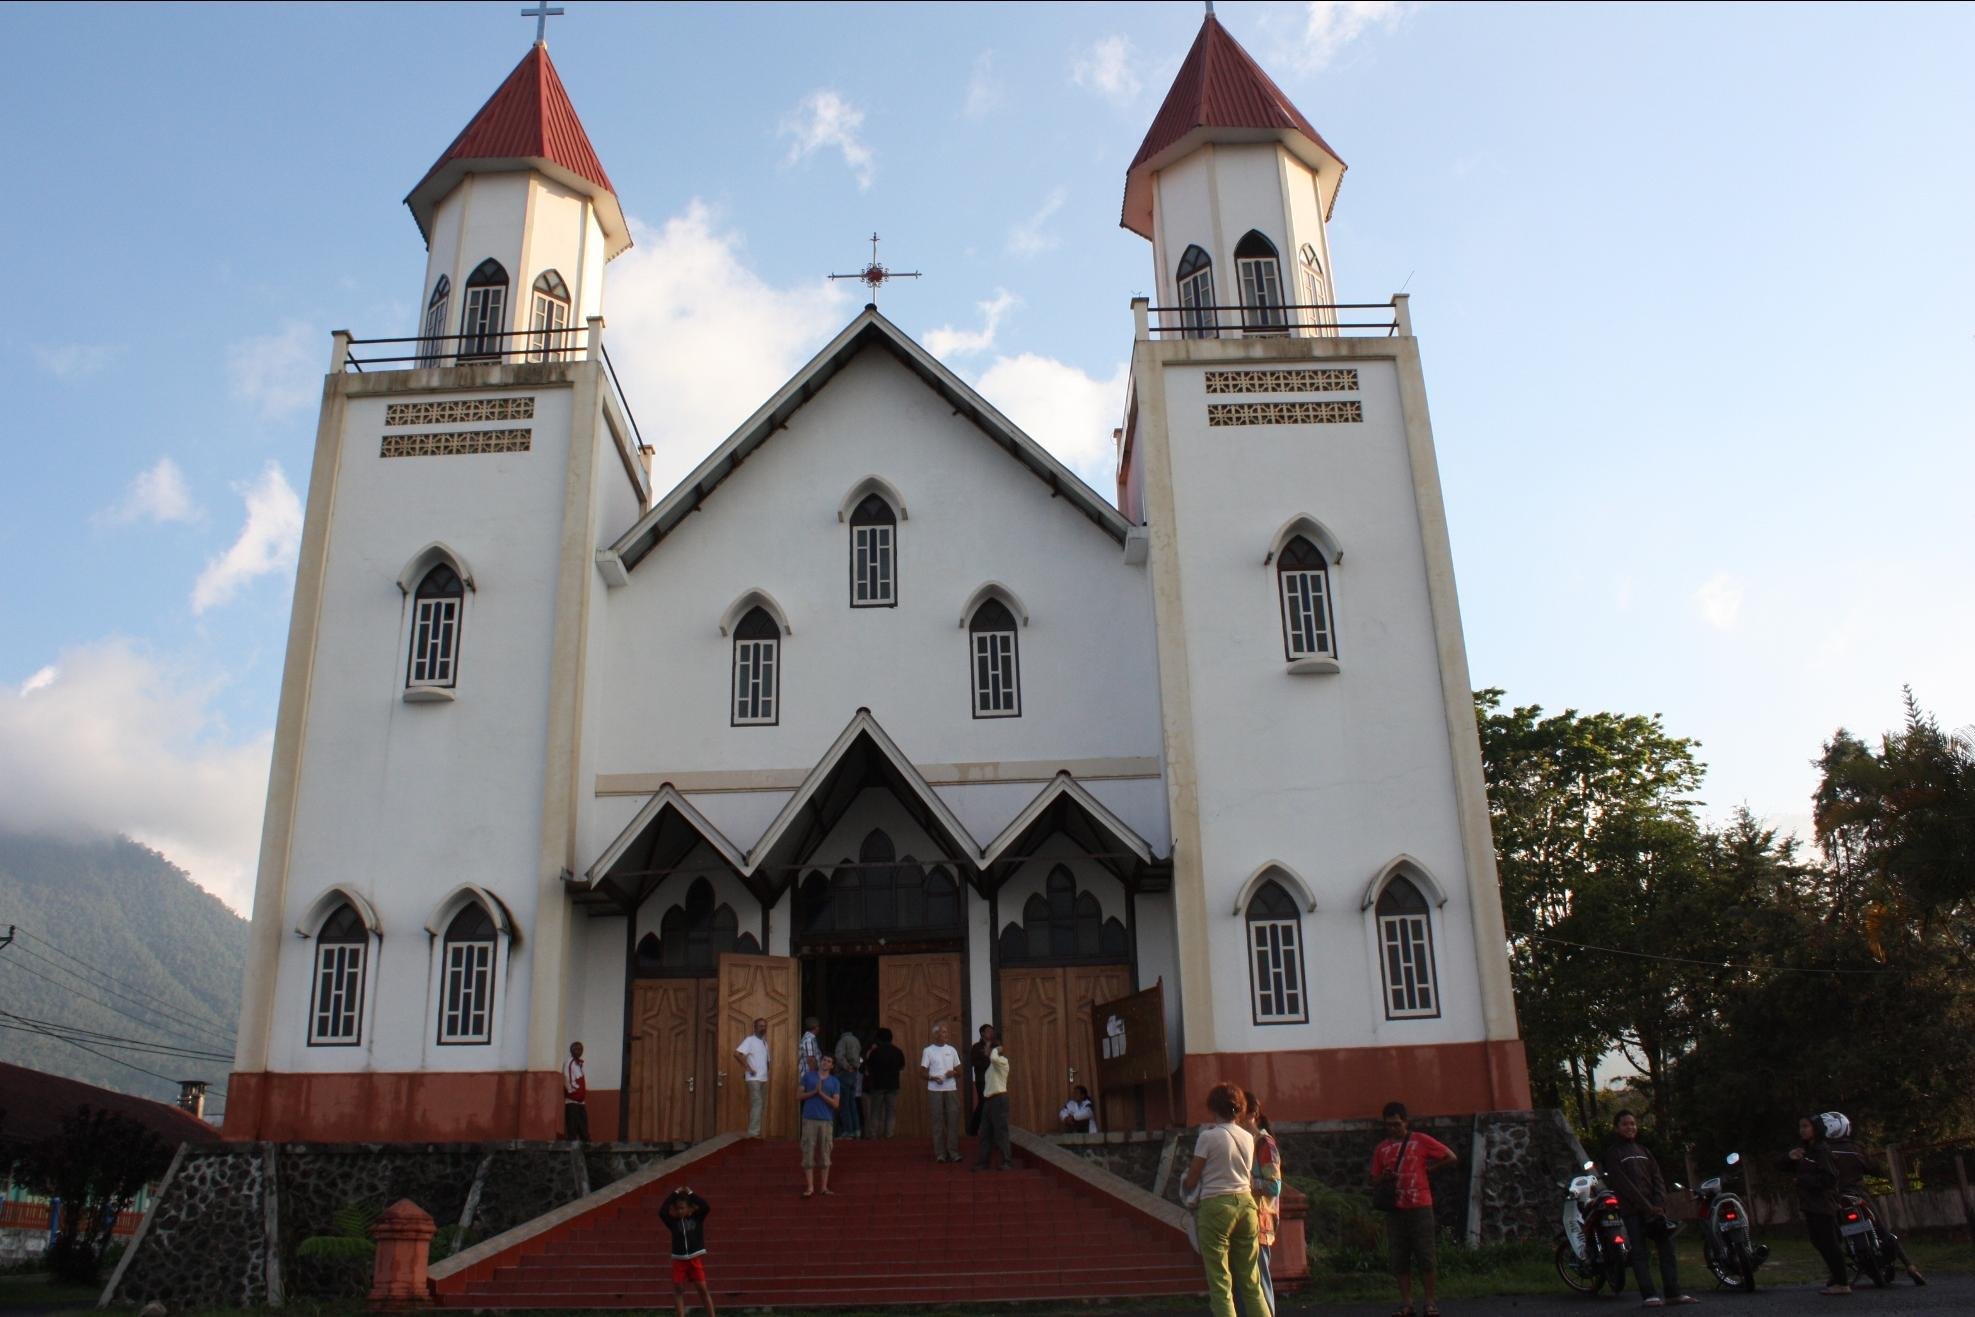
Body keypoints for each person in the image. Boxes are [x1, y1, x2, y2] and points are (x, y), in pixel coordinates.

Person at [1182, 1081, 1267, 1317]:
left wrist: (1186, 1184)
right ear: (1239, 1108)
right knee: (1252, 1282)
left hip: (1216, 1206)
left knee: (1221, 1283)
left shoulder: (1208, 1138)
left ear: (1213, 1108)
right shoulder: (1248, 1138)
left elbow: (1192, 1178)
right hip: (1246, 1205)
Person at [1369, 1100, 1457, 1317]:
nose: (1393, 1129)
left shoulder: (1420, 1140)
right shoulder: (1381, 1149)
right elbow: (1374, 1179)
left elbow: (1450, 1156)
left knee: (1426, 1256)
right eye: (1389, 1125)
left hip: (1420, 1206)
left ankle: (1429, 1302)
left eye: (1397, 1124)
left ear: (1406, 1122)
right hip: (1395, 1208)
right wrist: (1384, 1178)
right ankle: (1407, 1303)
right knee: (1400, 1258)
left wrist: (1430, 1169)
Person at [1822, 1112, 1926, 1286]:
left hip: (1833, 1198)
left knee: (1833, 1235)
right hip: (1857, 1195)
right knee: (1881, 1227)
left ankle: (1836, 1273)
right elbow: (1874, 1168)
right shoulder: (1855, 1149)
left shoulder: (1822, 1152)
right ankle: (1910, 1266)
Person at [1603, 1110, 1694, 1307]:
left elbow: (1657, 1177)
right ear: (1617, 1127)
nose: (1630, 1127)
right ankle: (1649, 1294)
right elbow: (1624, 1185)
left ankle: (1673, 1292)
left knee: (1667, 1249)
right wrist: (1646, 1206)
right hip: (1633, 1211)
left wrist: (1660, 1203)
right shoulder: (1614, 1153)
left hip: (1656, 1210)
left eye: (1633, 1124)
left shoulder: (1644, 1151)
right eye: (1625, 1124)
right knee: (1639, 1253)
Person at [1782, 1114, 1850, 1295]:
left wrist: (1803, 1180)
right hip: (1810, 1204)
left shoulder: (1821, 1151)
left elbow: (1830, 1178)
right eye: (1801, 1127)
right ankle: (1836, 1277)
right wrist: (1789, 1157)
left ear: (1816, 1129)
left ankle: (1842, 1282)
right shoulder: (1805, 1151)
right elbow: (1781, 1165)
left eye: (1806, 1126)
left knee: (1829, 1242)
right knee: (1818, 1241)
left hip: (1822, 1203)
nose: (1802, 1130)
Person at [1242, 1093, 1281, 1317]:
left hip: (1260, 1222)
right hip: (1245, 1219)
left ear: (1253, 1114)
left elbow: (1274, 1186)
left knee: (1260, 1285)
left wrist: (1246, 1182)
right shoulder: (1246, 1143)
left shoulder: (1264, 1144)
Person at [659, 1186, 716, 1315]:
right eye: (677, 1208)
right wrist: (674, 1194)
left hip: (695, 1258)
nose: (679, 1211)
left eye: (682, 1208)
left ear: (689, 1209)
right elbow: (662, 1212)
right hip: (679, 1260)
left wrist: (690, 1193)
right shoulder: (672, 1222)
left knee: (702, 1289)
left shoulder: (697, 1219)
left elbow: (706, 1207)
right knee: (678, 1289)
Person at [798, 1054, 840, 1198]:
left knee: (825, 1153)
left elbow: (835, 1104)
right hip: (809, 1119)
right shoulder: (808, 1077)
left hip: (826, 1120)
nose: (825, 1063)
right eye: (824, 1060)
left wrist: (821, 1093)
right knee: (808, 1151)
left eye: (829, 1061)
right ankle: (810, 1187)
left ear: (832, 1066)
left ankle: (823, 1187)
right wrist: (814, 1092)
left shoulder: (834, 1081)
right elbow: (799, 1096)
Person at [921, 1023, 963, 1163]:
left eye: (946, 1032)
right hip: (935, 1090)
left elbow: (960, 1071)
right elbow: (922, 1072)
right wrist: (933, 1078)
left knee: (953, 1120)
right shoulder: (928, 1051)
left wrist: (954, 1073)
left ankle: (953, 1152)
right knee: (937, 1121)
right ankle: (940, 1154)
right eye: (943, 1032)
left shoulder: (951, 1050)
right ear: (936, 1035)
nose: (946, 1035)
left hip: (950, 1089)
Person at [973, 1028, 1014, 1171]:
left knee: (1001, 1131)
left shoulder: (1003, 1061)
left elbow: (994, 1057)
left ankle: (1007, 1161)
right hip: (989, 1100)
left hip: (999, 1099)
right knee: (985, 1133)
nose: (985, 1050)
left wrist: (995, 1048)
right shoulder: (991, 1066)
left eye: (986, 1048)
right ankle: (983, 1162)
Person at [862, 1027, 905, 1139]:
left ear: (879, 1039)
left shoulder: (875, 1052)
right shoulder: (898, 1051)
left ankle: (873, 1134)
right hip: (893, 1085)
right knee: (891, 1112)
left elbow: (868, 1067)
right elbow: (902, 1066)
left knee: (875, 1111)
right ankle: (889, 1134)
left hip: (878, 1085)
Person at [732, 1017, 770, 1138]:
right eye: (760, 1026)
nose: (763, 1028)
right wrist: (747, 1068)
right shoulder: (750, 1040)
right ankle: (753, 1134)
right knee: (757, 1103)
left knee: (760, 1105)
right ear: (755, 1027)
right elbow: (737, 1054)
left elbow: (767, 1061)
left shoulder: (765, 1042)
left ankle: (756, 1132)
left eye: (764, 1026)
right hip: (754, 1079)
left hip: (763, 1079)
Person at [833, 1029, 864, 1139]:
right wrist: (855, 1068)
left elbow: (839, 1056)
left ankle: (848, 1131)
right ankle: (857, 1130)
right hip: (854, 1074)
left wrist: (847, 1067)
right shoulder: (856, 1040)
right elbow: (859, 1057)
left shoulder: (843, 1041)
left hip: (844, 1074)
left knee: (844, 1104)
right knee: (852, 1104)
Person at [967, 1023, 996, 1136]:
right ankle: (973, 1130)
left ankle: (992, 1131)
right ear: (982, 1033)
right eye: (989, 1031)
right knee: (983, 1104)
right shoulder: (976, 1047)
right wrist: (988, 1060)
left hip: (995, 1080)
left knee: (994, 1105)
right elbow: (975, 1063)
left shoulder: (996, 1046)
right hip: (982, 1080)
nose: (991, 1032)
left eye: (992, 1031)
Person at [562, 1041, 589, 1143]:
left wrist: (581, 1096)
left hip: (581, 1102)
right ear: (571, 1050)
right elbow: (567, 1080)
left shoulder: (580, 1065)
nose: (578, 1051)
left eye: (580, 1049)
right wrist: (575, 1093)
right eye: (576, 1049)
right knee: (572, 1129)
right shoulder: (569, 1063)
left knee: (583, 1129)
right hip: (572, 1102)